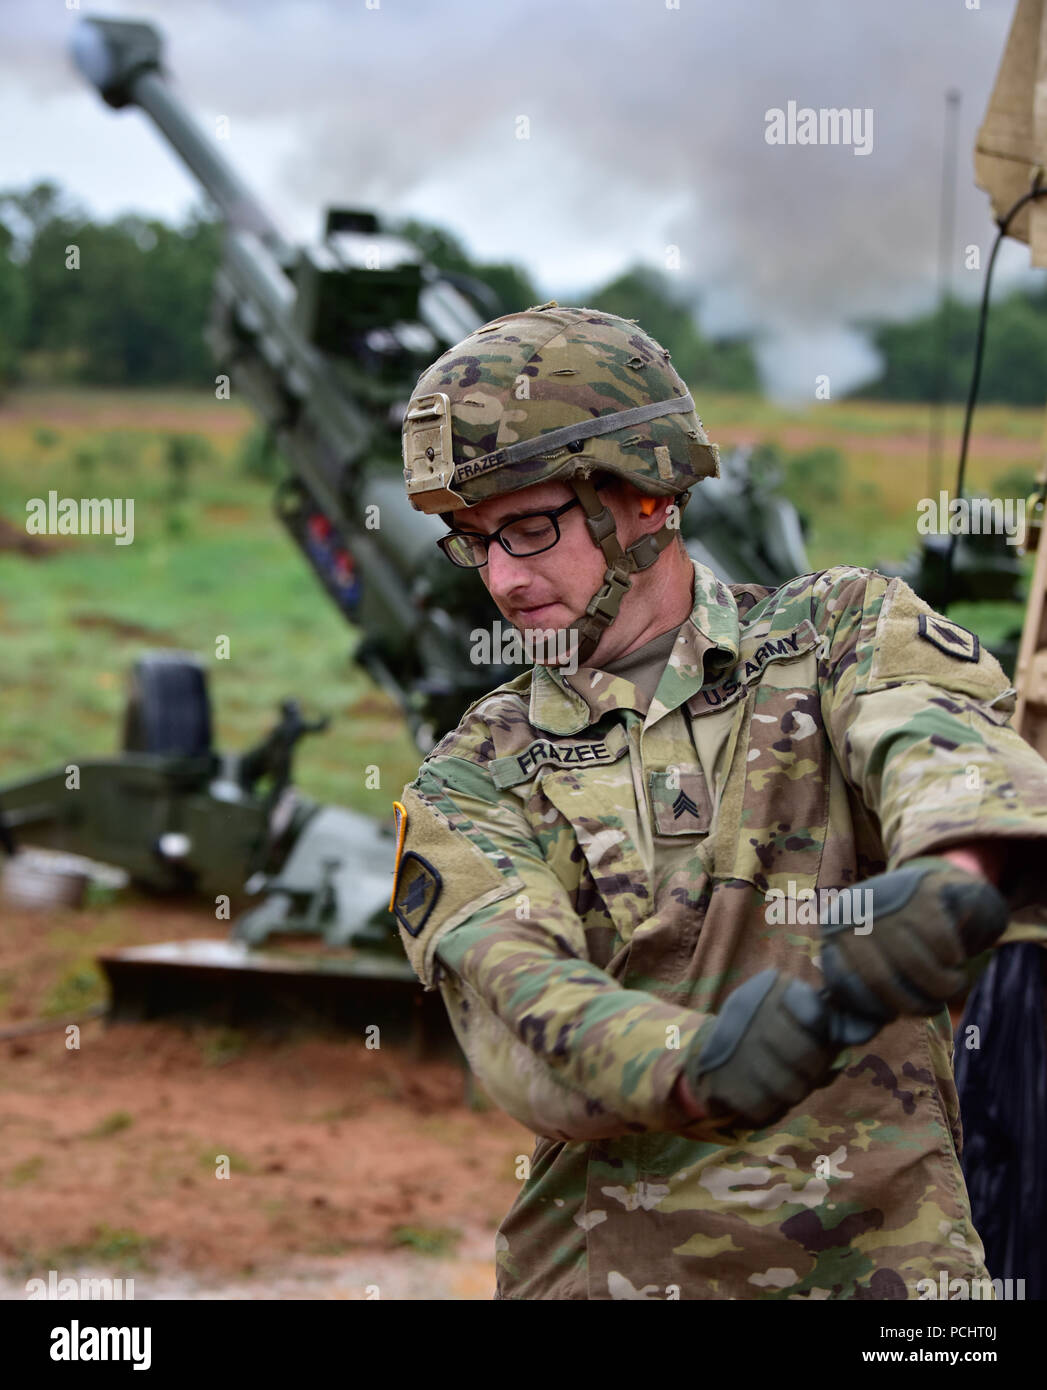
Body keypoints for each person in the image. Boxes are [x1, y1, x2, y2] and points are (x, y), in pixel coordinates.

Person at [390, 301, 1047, 1300]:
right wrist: (694, 1063)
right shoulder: (472, 776)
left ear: (647, 492)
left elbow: (940, 746)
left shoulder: (837, 634)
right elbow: (522, 1018)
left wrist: (954, 877)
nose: (506, 579)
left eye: (528, 526)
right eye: (474, 541)